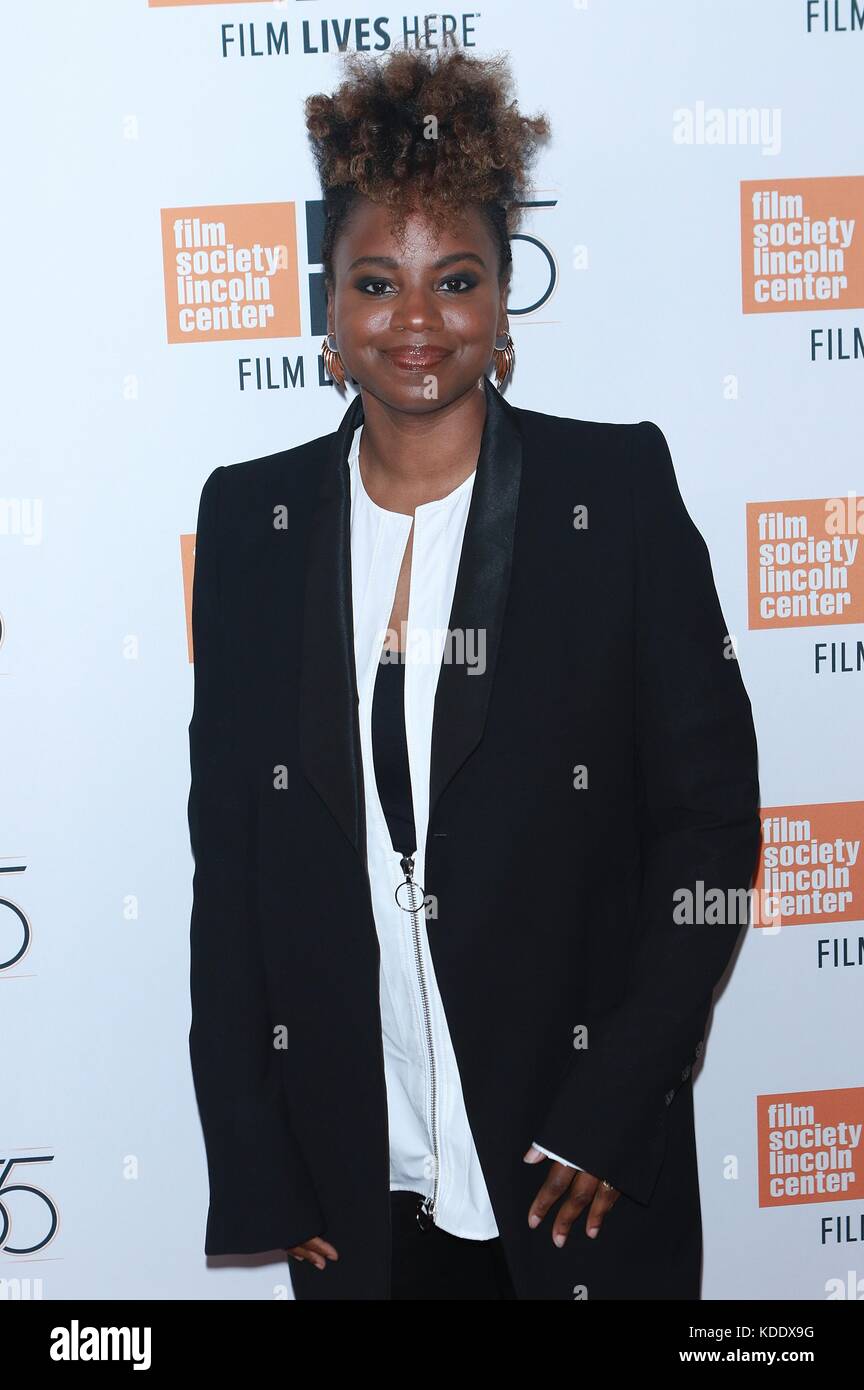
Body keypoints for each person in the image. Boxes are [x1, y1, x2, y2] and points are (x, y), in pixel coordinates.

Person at [187, 44, 762, 1301]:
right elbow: (230, 855)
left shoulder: (612, 498)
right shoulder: (249, 524)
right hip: (354, 1181)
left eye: (456, 280)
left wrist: (616, 1103)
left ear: (505, 300)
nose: (416, 322)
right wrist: (257, 1145)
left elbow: (710, 830)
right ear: (325, 307)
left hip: (569, 1171)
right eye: (375, 282)